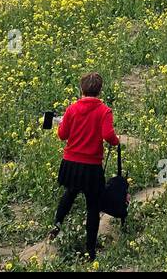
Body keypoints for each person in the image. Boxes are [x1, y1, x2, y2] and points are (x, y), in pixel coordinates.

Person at [51, 72, 120, 260]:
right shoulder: (104, 110)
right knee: (92, 206)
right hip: (91, 166)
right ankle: (90, 251)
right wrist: (116, 140)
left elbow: (62, 135)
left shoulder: (72, 109)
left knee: (70, 192)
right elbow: (108, 135)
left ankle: (57, 223)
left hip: (71, 163)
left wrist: (61, 124)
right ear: (100, 90)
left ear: (81, 89)